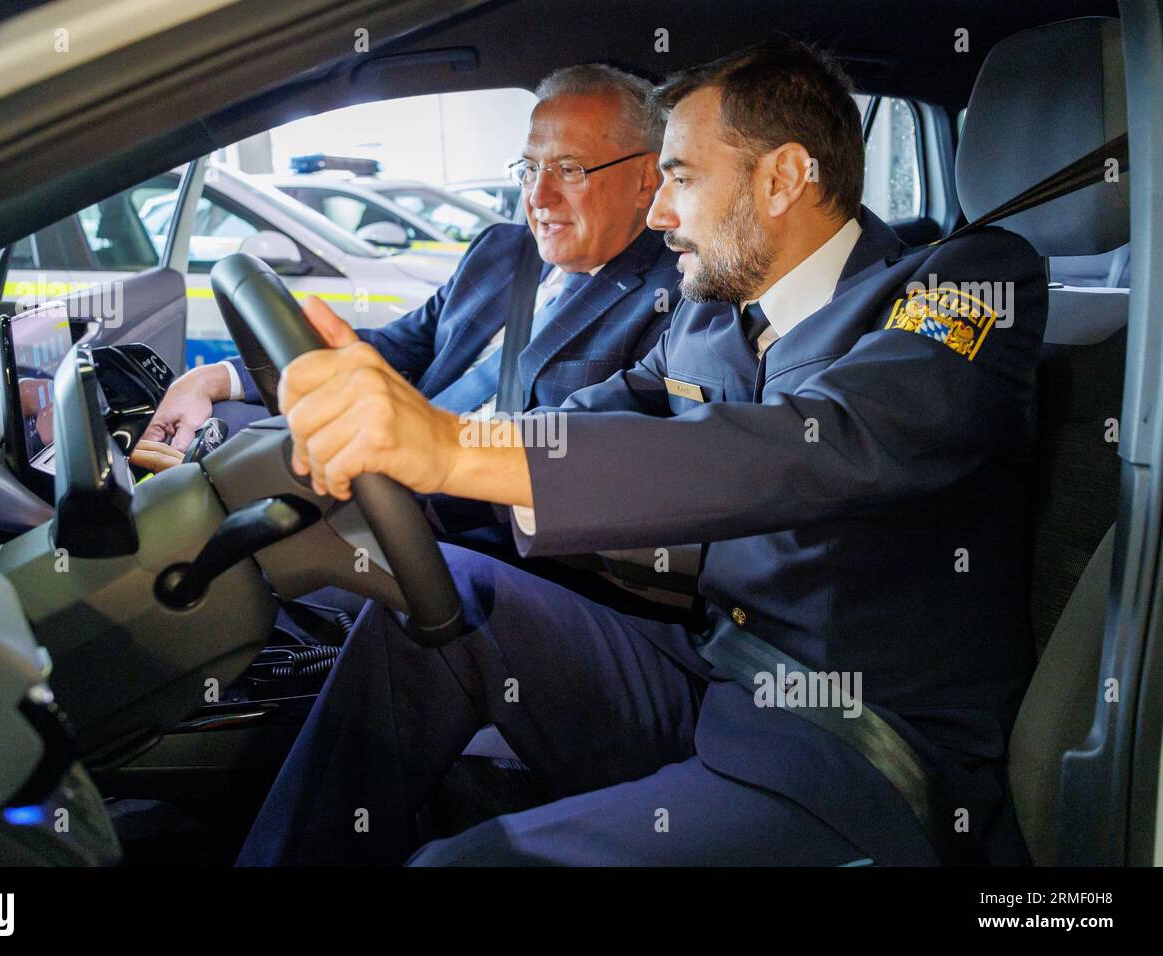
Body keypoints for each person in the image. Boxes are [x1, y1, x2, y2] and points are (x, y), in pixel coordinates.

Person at [238, 39, 1047, 866]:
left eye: (682, 178)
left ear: (783, 178)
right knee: (440, 603)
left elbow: (827, 442)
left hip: (851, 745)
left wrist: (450, 444)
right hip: (705, 676)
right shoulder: (710, 315)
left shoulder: (967, 283)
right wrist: (389, 468)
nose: (659, 213)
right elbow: (593, 415)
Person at [131, 63, 682, 503]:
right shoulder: (500, 251)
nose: (538, 197)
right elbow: (400, 348)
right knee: (224, 435)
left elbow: (584, 453)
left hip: (477, 526)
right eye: (530, 169)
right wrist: (218, 379)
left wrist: (425, 448)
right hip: (388, 479)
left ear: (644, 180)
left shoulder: (672, 299)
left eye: (570, 169)